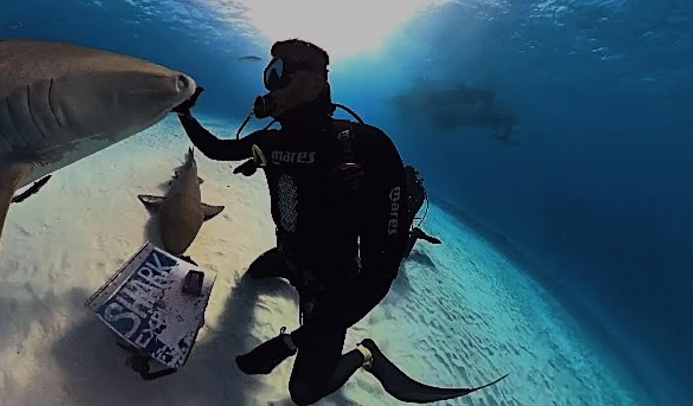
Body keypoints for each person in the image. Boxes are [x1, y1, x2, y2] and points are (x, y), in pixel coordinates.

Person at [173, 39, 501, 405]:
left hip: (333, 286)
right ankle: (290, 273)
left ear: (314, 83)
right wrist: (185, 114)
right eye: (269, 74)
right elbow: (217, 150)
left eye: (278, 74)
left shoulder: (367, 148)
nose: (269, 85)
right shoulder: (271, 141)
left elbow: (379, 277)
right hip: (290, 255)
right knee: (254, 274)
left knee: (303, 392)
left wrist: (289, 342)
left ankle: (366, 354)